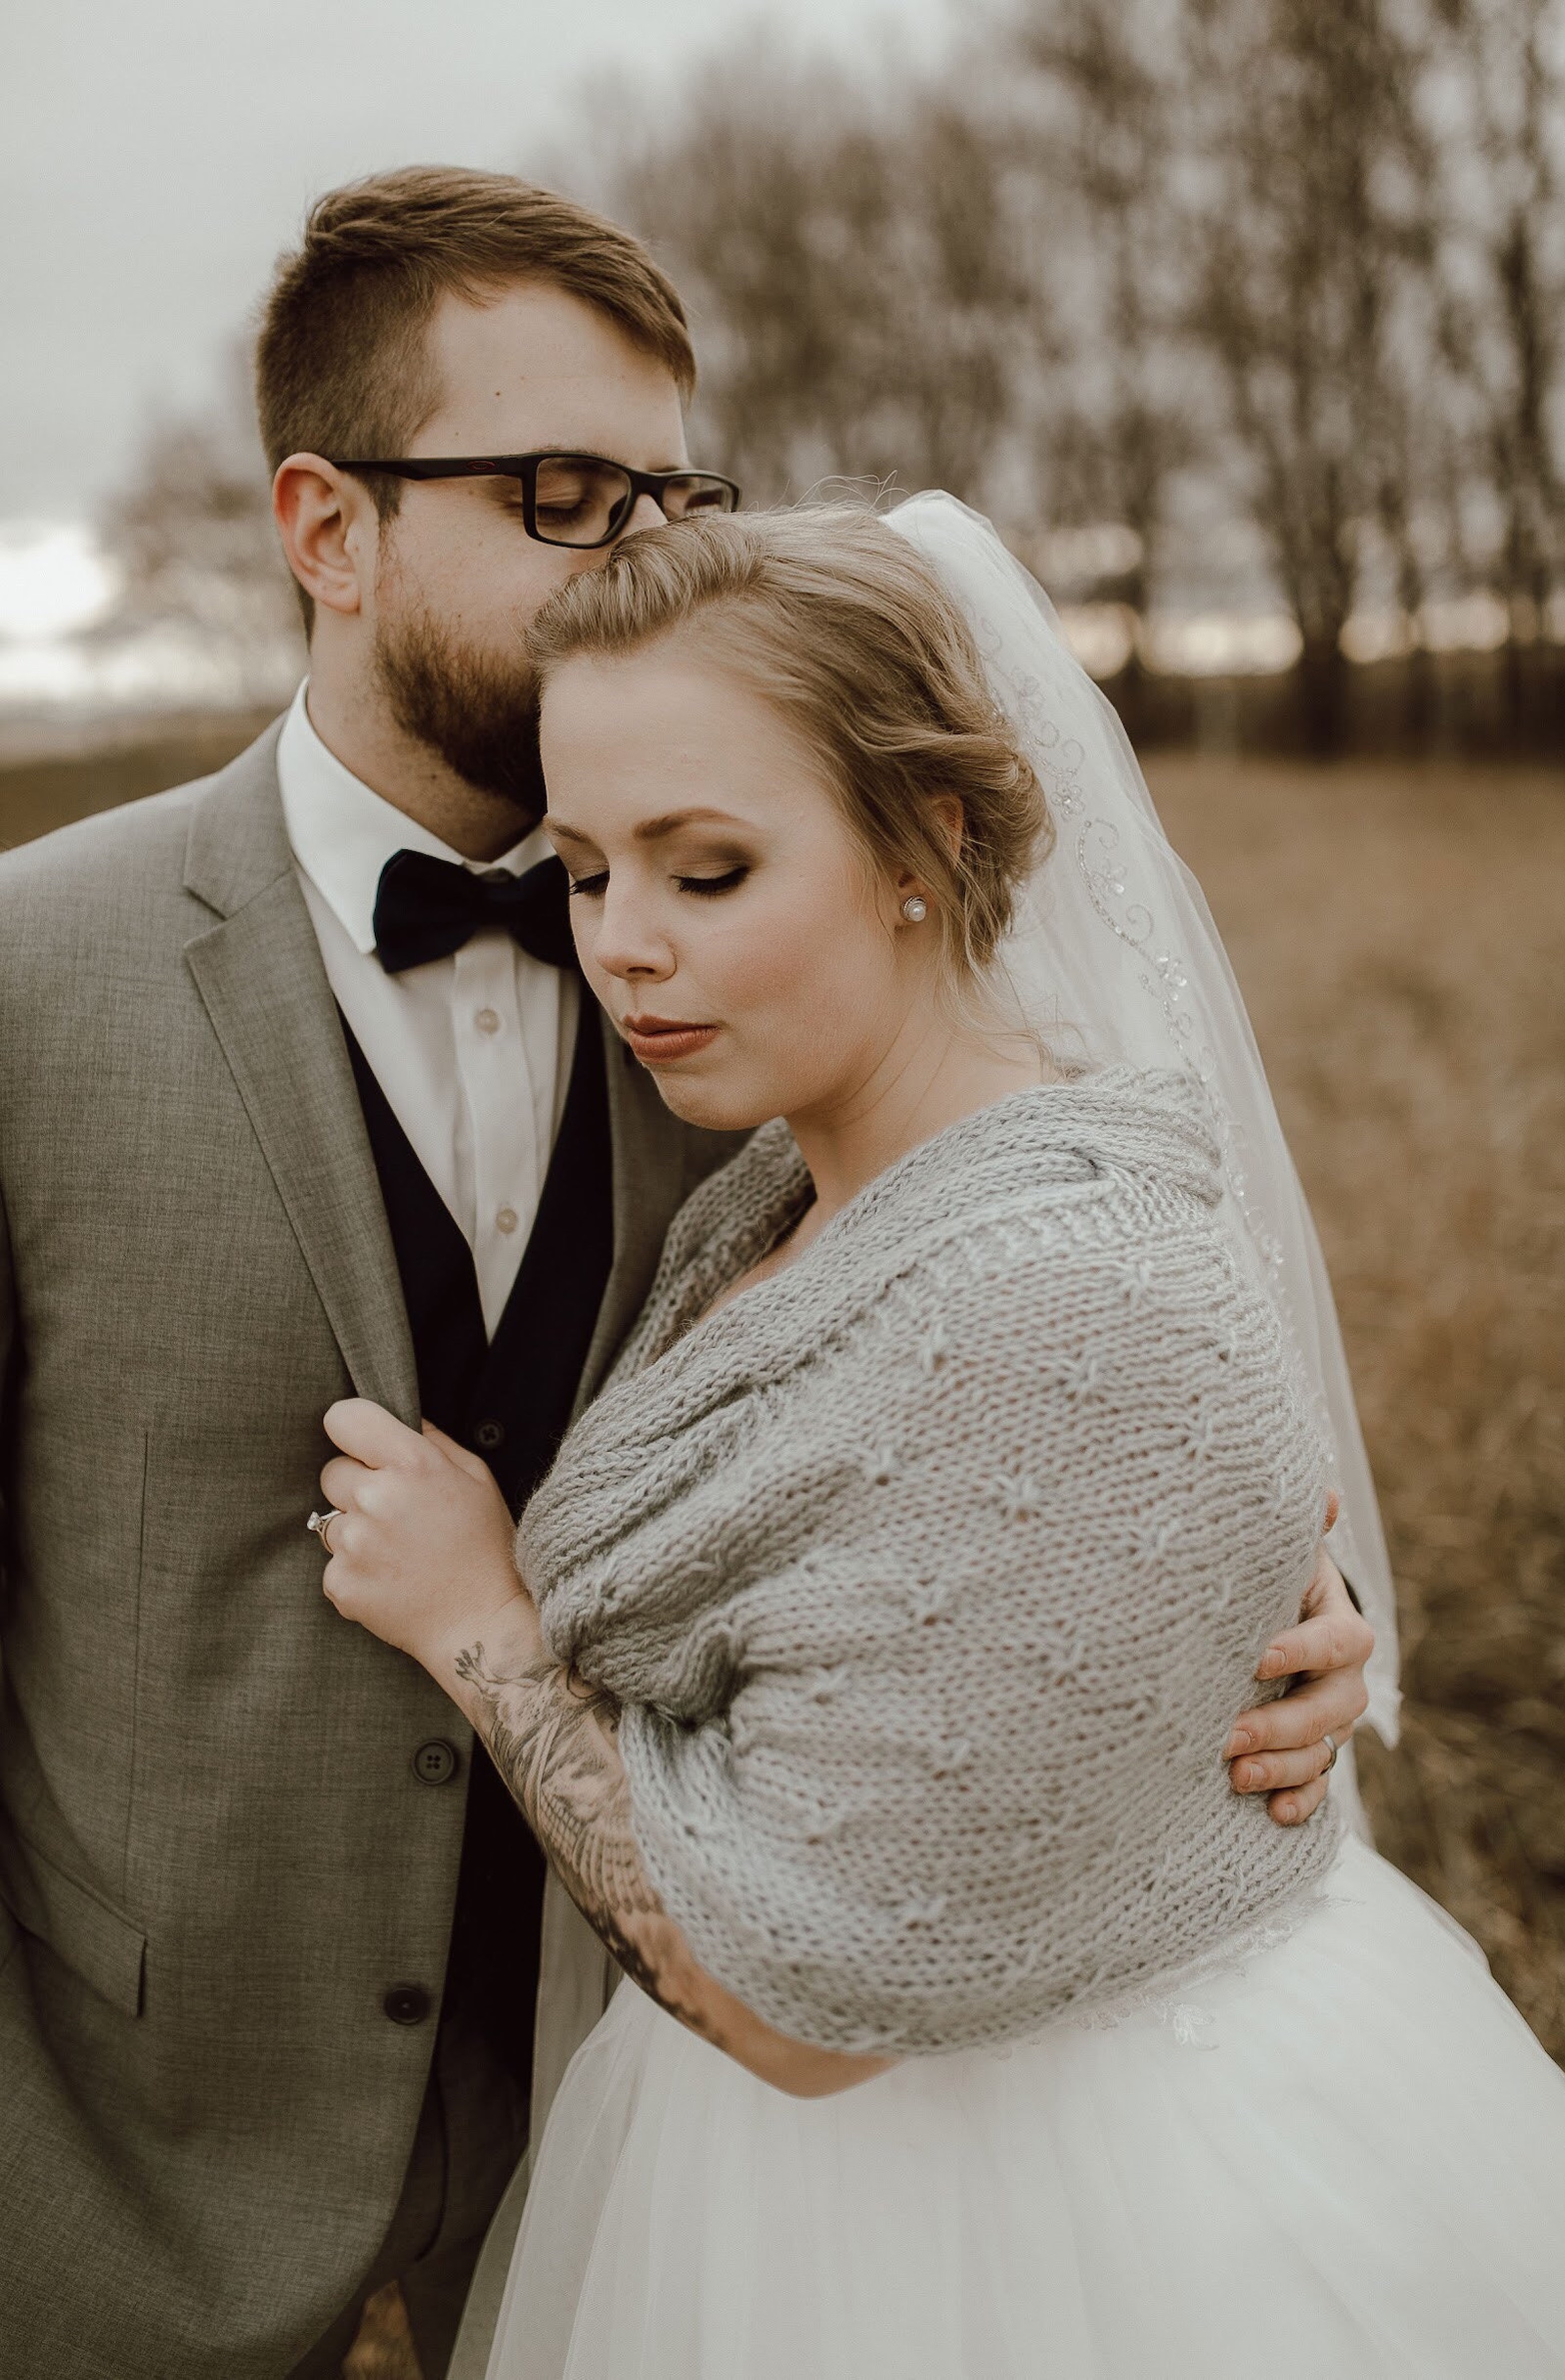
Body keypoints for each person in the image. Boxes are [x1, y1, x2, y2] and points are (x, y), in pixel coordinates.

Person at [0, 174, 1368, 2380]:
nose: (637, 551)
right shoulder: (28, 979)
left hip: (650, 2149)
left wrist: (1218, 1608)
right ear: (327, 527)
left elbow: (1002, 1352)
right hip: (131, 2158)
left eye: (667, 491)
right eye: (561, 494)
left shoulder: (773, 975)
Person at [320, 499, 1565, 2379]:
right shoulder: (778, 1195)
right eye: (584, 872)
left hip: (1041, 2209)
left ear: (933, 844)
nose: (622, 948)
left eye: (709, 870)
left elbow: (807, 2011)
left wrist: (479, 1620)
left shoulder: (1055, 1290)